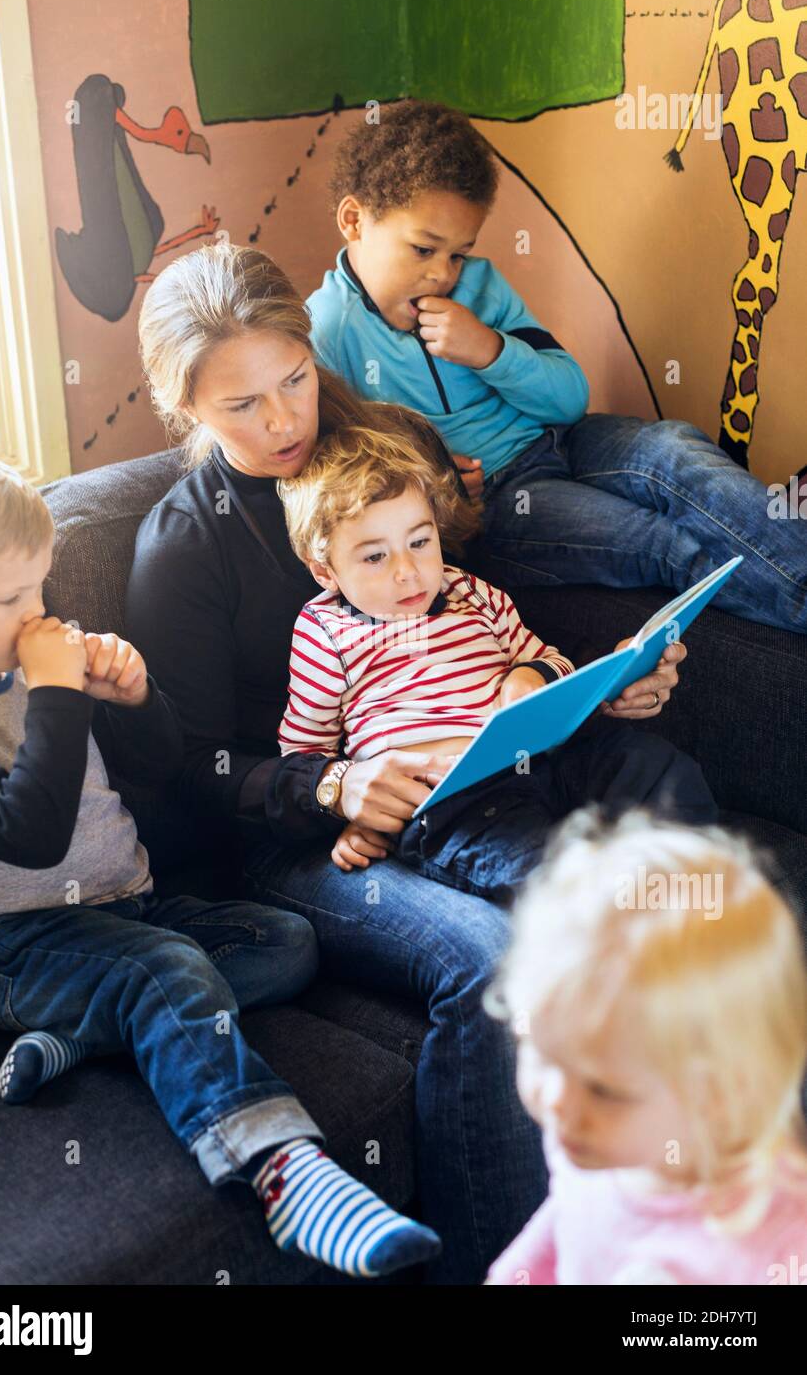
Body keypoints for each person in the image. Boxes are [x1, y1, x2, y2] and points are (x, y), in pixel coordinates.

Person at [126, 238, 689, 1284]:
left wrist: (585, 681)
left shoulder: (378, 442)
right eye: (240, 406)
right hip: (288, 837)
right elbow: (186, 776)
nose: (284, 419)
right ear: (185, 408)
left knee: (660, 808)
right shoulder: (180, 550)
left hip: (457, 762)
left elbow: (461, 607)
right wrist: (330, 783)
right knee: (490, 963)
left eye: (292, 378)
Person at [0, 446, 440, 1280]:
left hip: (128, 909)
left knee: (285, 943)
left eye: (41, 588)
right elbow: (26, 830)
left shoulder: (34, 664)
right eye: (9, 598)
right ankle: (283, 1168)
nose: (38, 615)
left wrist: (132, 698)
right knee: (163, 970)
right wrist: (60, 695)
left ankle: (78, 1034)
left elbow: (163, 764)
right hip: (8, 946)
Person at [305, 99, 807, 634]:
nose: (443, 275)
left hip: (565, 437)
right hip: (498, 501)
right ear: (354, 221)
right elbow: (344, 471)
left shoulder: (481, 286)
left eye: (457, 254)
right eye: (424, 249)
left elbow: (570, 397)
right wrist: (437, 481)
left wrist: (490, 350)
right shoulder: (327, 333)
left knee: (677, 449)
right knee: (658, 539)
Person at [276, 423, 718, 901]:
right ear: (324, 570)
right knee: (546, 872)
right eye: (375, 557)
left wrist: (530, 676)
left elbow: (550, 660)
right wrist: (350, 814)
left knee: (651, 765)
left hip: (545, 758)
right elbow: (304, 753)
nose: (408, 572)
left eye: (420, 542)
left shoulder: (469, 591)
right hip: (451, 804)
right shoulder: (325, 630)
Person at [484, 809, 807, 1285]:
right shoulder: (592, 1139)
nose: (556, 1101)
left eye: (605, 1090)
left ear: (719, 1094)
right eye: (542, 1054)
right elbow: (570, 1213)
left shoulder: (781, 1245)